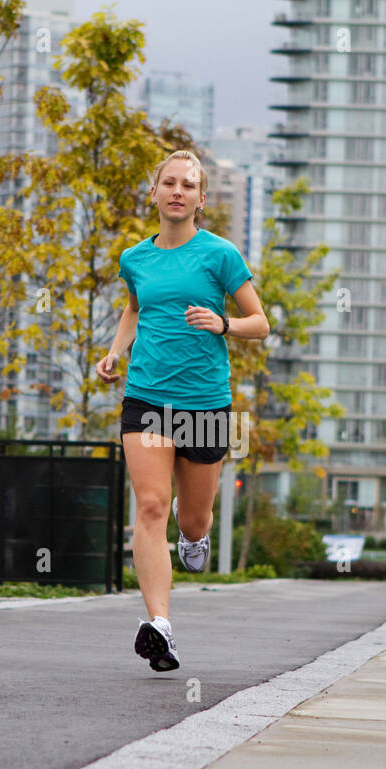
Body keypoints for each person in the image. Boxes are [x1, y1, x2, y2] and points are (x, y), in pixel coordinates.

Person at [95, 150, 269, 671]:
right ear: (153, 194)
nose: (177, 191)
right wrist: (115, 350)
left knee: (192, 521)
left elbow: (259, 322)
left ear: (200, 199)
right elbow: (134, 306)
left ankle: (194, 534)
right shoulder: (135, 258)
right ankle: (160, 627)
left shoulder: (220, 255)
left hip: (205, 403)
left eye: (187, 185)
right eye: (168, 183)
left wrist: (223, 325)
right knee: (149, 505)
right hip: (147, 397)